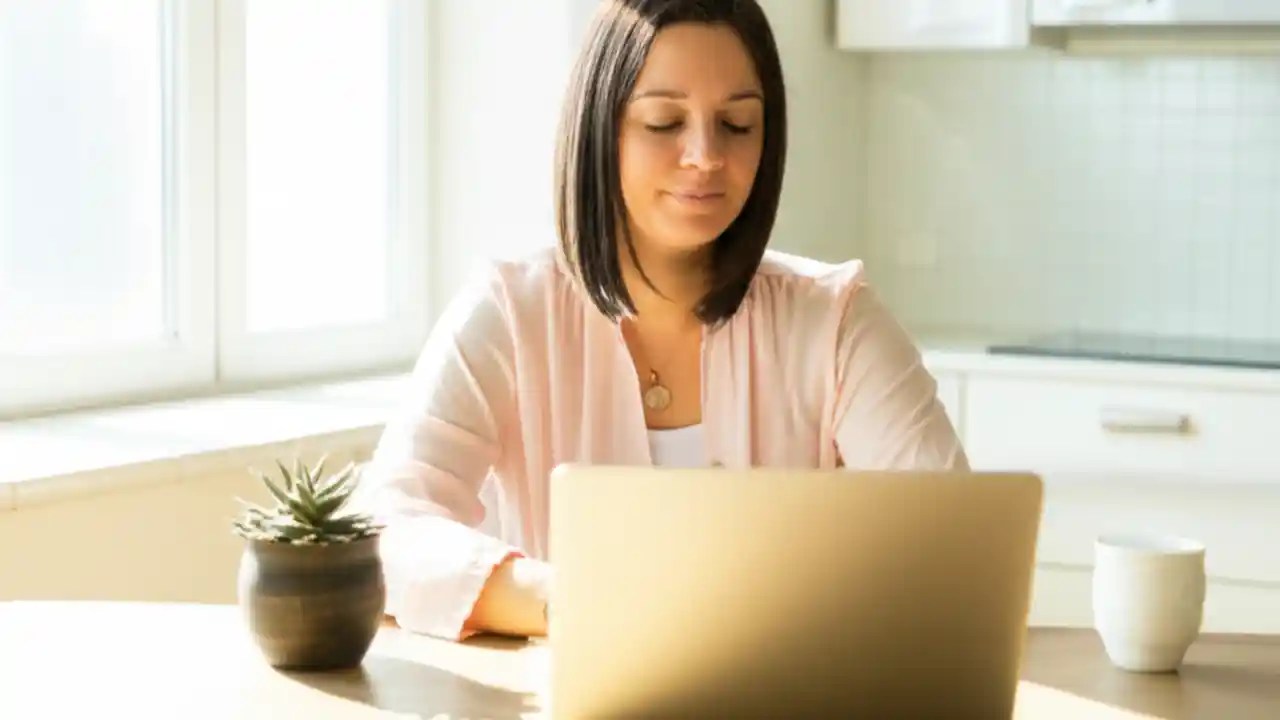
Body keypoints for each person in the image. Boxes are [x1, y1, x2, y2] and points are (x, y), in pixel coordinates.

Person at [356, 0, 969, 642]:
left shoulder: (837, 320)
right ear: (601, 132)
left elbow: (957, 546)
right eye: (663, 122)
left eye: (737, 124)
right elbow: (384, 527)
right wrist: (566, 600)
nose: (705, 156)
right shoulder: (511, 310)